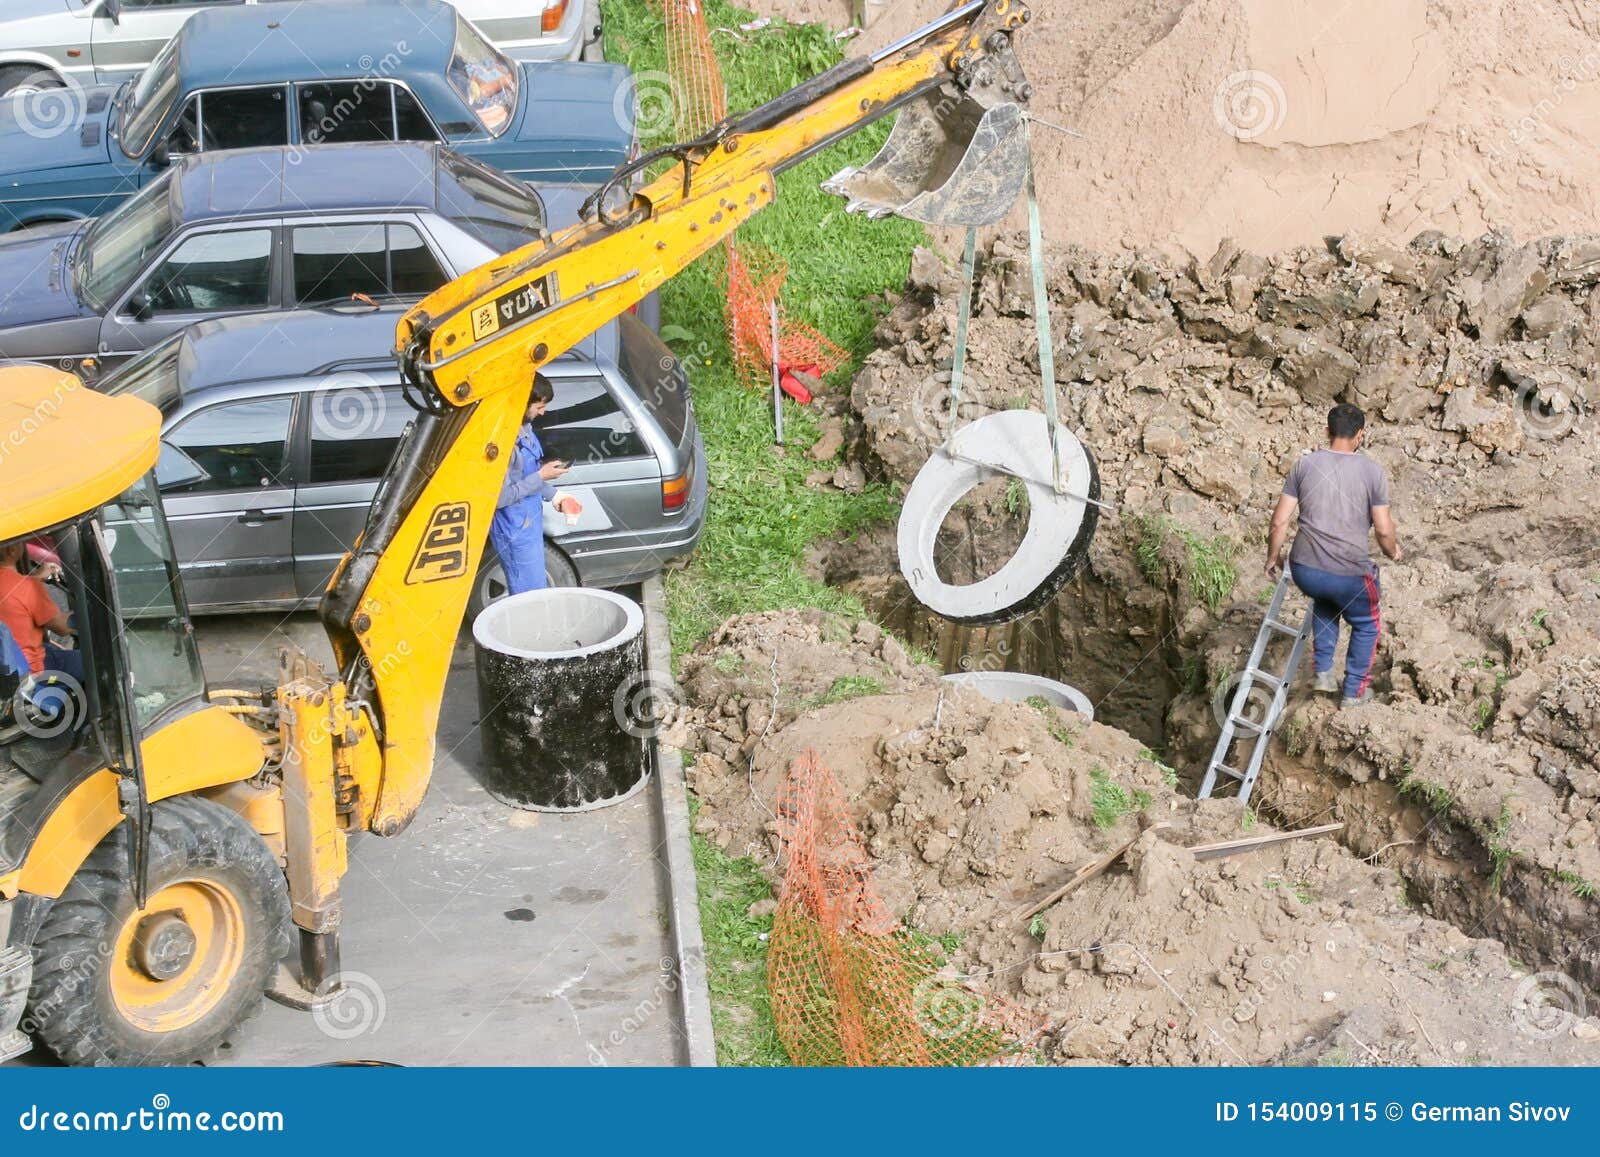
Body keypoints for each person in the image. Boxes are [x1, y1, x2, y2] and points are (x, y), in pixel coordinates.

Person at [1265, 403, 1402, 708]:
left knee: (1326, 599)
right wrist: (1393, 552)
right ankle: (1354, 691)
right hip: (1349, 573)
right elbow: (1383, 529)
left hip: (1305, 570)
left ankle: (1324, 673)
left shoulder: (1304, 465)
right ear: (1360, 435)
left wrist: (1272, 558)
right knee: (1366, 623)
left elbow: (1279, 521)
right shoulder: (1372, 472)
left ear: (1327, 431)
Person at [490, 375, 583, 595]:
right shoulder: (501, 442)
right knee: (527, 595)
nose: (543, 412)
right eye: (539, 406)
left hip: (529, 525)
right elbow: (500, 498)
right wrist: (541, 476)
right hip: (513, 531)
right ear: (523, 403)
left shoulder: (525, 429)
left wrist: (558, 496)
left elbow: (528, 475)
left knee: (537, 588)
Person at [0, 540, 81, 684]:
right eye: (21, 541)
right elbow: (61, 627)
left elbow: (10, 591)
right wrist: (86, 612)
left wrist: (37, 577)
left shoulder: (24, 585)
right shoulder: (29, 587)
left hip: (8, 669)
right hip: (35, 672)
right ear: (11, 549)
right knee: (92, 661)